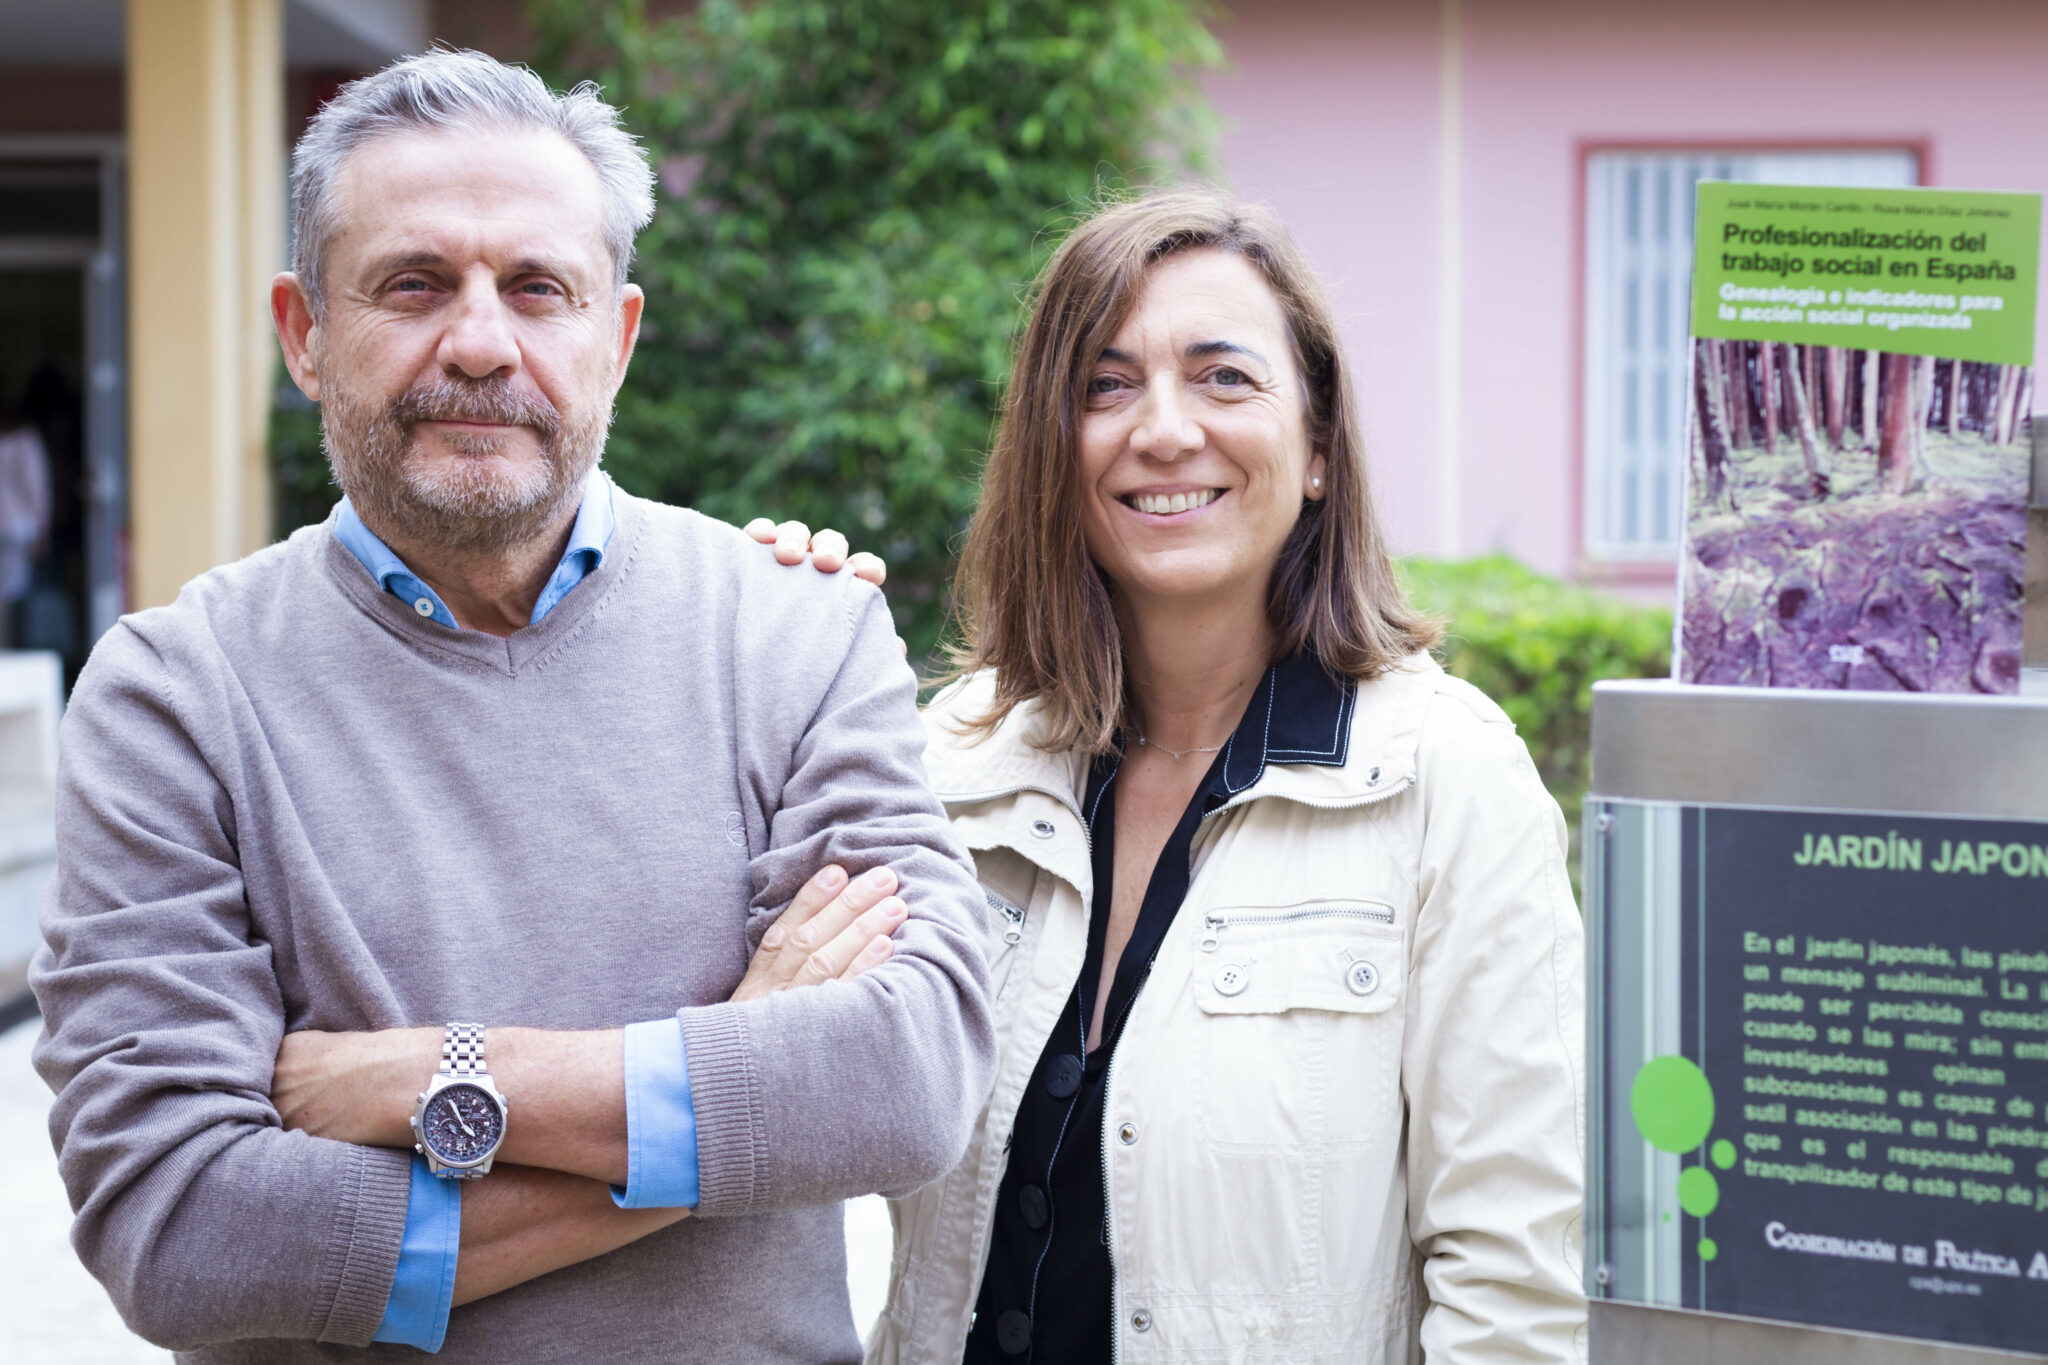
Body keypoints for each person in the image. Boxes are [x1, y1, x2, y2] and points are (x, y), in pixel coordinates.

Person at [30, 50, 995, 1364]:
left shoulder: (795, 627)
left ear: (619, 335)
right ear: (305, 333)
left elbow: (907, 1079)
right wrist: (731, 1072)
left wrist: (433, 1075)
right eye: (414, 284)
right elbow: (185, 1233)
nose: (481, 343)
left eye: (539, 288)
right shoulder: (176, 696)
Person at [757, 189, 1586, 1362]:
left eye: (1222, 378)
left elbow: (1517, 1290)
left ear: (1313, 449)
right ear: (1055, 446)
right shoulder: (950, 762)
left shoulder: (1446, 780)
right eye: (1104, 384)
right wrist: (746, 665)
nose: (1159, 429)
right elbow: (775, 1109)